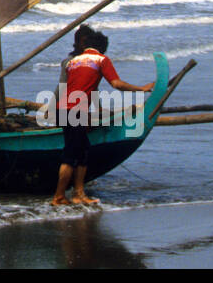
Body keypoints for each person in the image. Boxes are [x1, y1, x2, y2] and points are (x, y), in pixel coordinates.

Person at [50, 24, 154, 206]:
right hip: (76, 110)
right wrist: (141, 88)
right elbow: (116, 84)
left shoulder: (73, 62)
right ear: (103, 48)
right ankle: (59, 196)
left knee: (83, 150)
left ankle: (79, 194)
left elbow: (80, 87)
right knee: (71, 154)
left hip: (64, 109)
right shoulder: (101, 60)